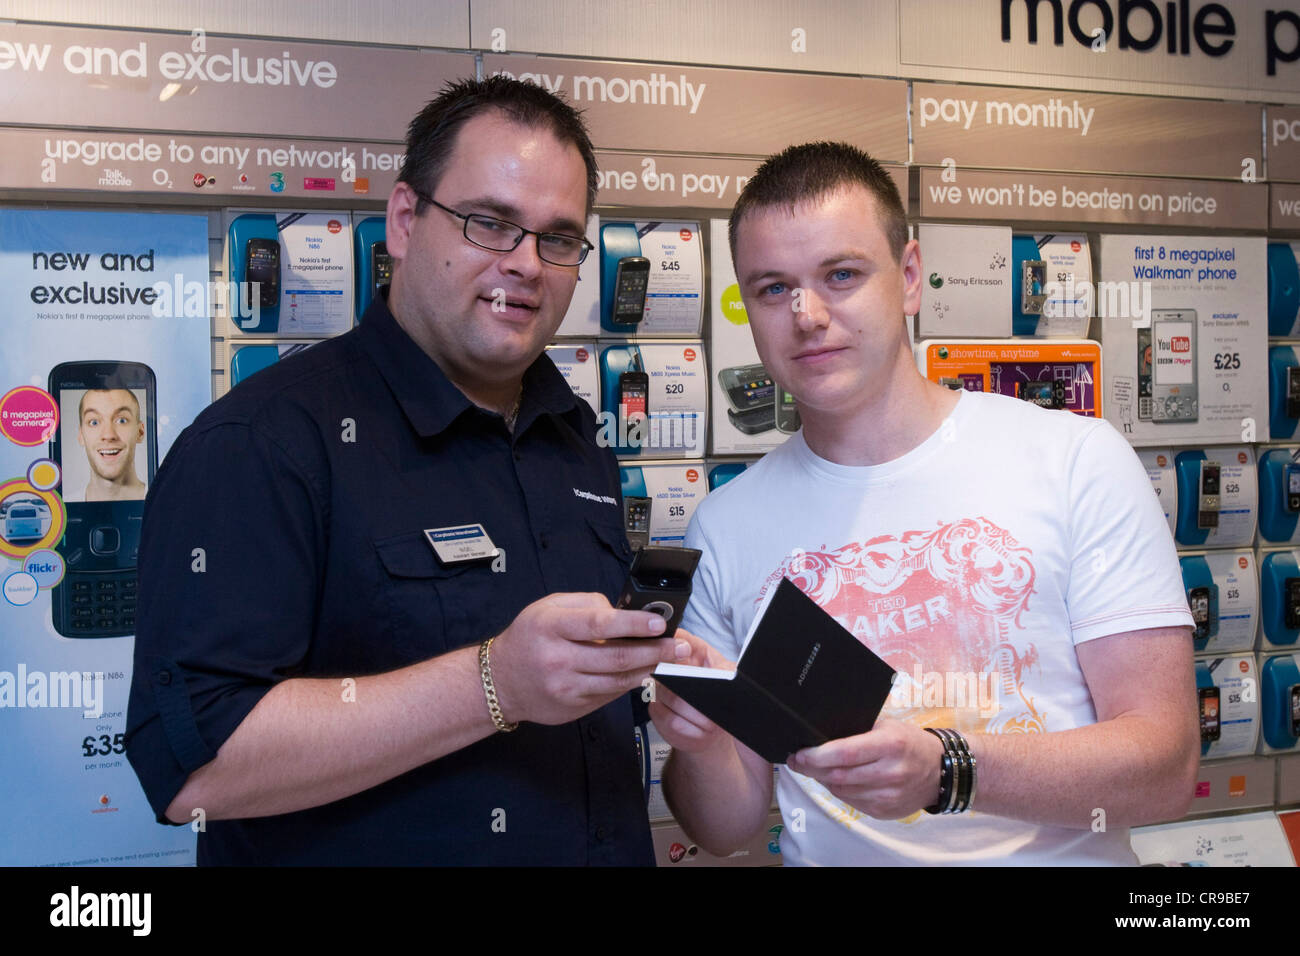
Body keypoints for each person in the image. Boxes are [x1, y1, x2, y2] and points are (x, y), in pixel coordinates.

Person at [125, 76, 691, 865]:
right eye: (491, 223)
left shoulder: (574, 437)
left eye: (558, 239)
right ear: (404, 220)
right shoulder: (266, 441)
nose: (526, 263)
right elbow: (190, 766)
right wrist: (494, 684)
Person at [652, 141, 1199, 865]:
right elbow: (726, 830)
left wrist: (949, 770)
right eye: (773, 288)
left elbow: (1165, 768)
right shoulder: (727, 524)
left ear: (909, 277)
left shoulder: (1073, 460)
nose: (806, 314)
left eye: (840, 275)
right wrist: (701, 740)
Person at [76, 388, 146, 501]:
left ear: (140, 432)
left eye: (122, 420)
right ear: (81, 435)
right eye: (94, 422)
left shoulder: (166, 505)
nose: (108, 435)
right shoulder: (60, 509)